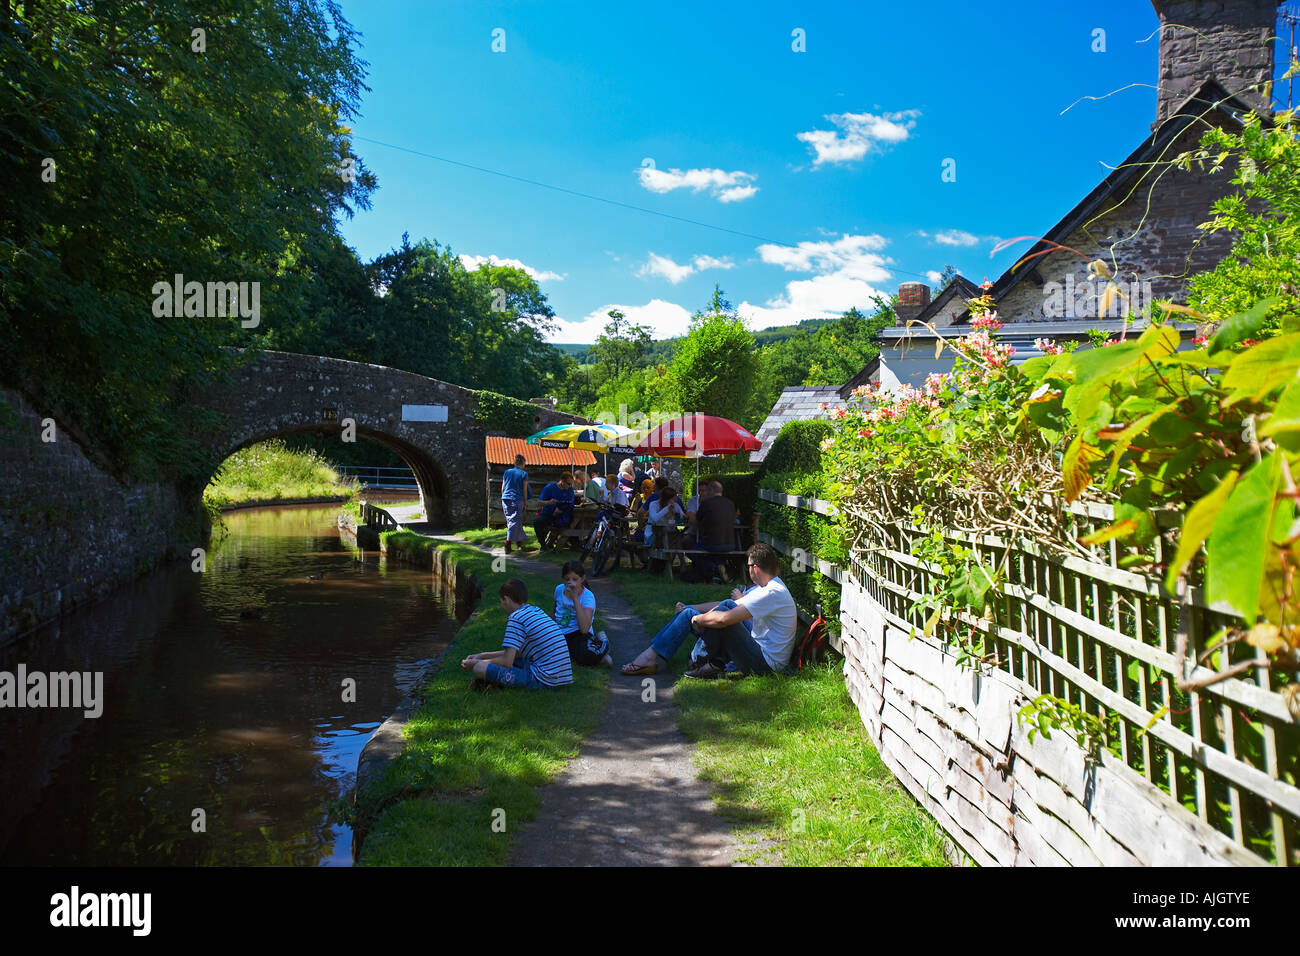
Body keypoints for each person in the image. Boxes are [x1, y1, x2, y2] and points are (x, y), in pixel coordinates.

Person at [619, 543, 797, 679]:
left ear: (755, 568)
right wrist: (691, 611)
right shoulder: (769, 587)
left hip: (766, 665)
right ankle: (708, 661)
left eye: (748, 566)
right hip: (760, 650)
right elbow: (726, 605)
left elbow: (724, 620)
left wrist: (697, 620)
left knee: (717, 618)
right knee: (722, 606)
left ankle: (701, 660)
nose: (748, 569)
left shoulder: (771, 593)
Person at [461, 578, 573, 689]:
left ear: (506, 599)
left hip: (544, 681)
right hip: (560, 679)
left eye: (501, 602)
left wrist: (476, 663)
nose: (502, 607)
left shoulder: (515, 618)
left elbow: (507, 661)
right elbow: (516, 654)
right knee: (512, 661)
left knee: (479, 668)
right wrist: (482, 655)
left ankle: (492, 683)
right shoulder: (535, 610)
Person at [553, 562, 611, 666]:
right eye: (567, 579)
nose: (571, 583)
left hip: (578, 634)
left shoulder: (587, 597)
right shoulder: (559, 589)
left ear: (582, 579)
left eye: (575, 579)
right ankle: (597, 653)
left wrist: (575, 598)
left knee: (582, 655)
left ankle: (603, 645)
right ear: (563, 579)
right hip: (559, 632)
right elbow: (555, 612)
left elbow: (584, 629)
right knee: (548, 651)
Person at [685, 479, 738, 582]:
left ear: (711, 491)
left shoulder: (706, 504)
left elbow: (696, 520)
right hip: (731, 543)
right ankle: (719, 571)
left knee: (692, 551)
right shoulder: (730, 503)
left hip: (711, 542)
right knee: (716, 554)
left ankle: (714, 569)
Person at [533, 472, 575, 550]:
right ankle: (543, 544)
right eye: (568, 484)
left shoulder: (570, 490)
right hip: (549, 513)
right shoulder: (550, 487)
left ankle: (574, 544)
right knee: (537, 522)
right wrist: (550, 502)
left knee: (574, 522)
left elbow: (570, 503)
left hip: (563, 515)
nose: (570, 486)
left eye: (571, 484)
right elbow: (539, 502)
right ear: (562, 481)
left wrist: (562, 509)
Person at [500, 454, 530, 553]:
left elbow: (503, 488)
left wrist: (504, 497)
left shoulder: (507, 472)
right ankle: (507, 544)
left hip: (505, 498)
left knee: (513, 520)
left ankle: (519, 543)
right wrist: (525, 503)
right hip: (517, 499)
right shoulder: (523, 474)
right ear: (523, 463)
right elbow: (524, 490)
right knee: (514, 521)